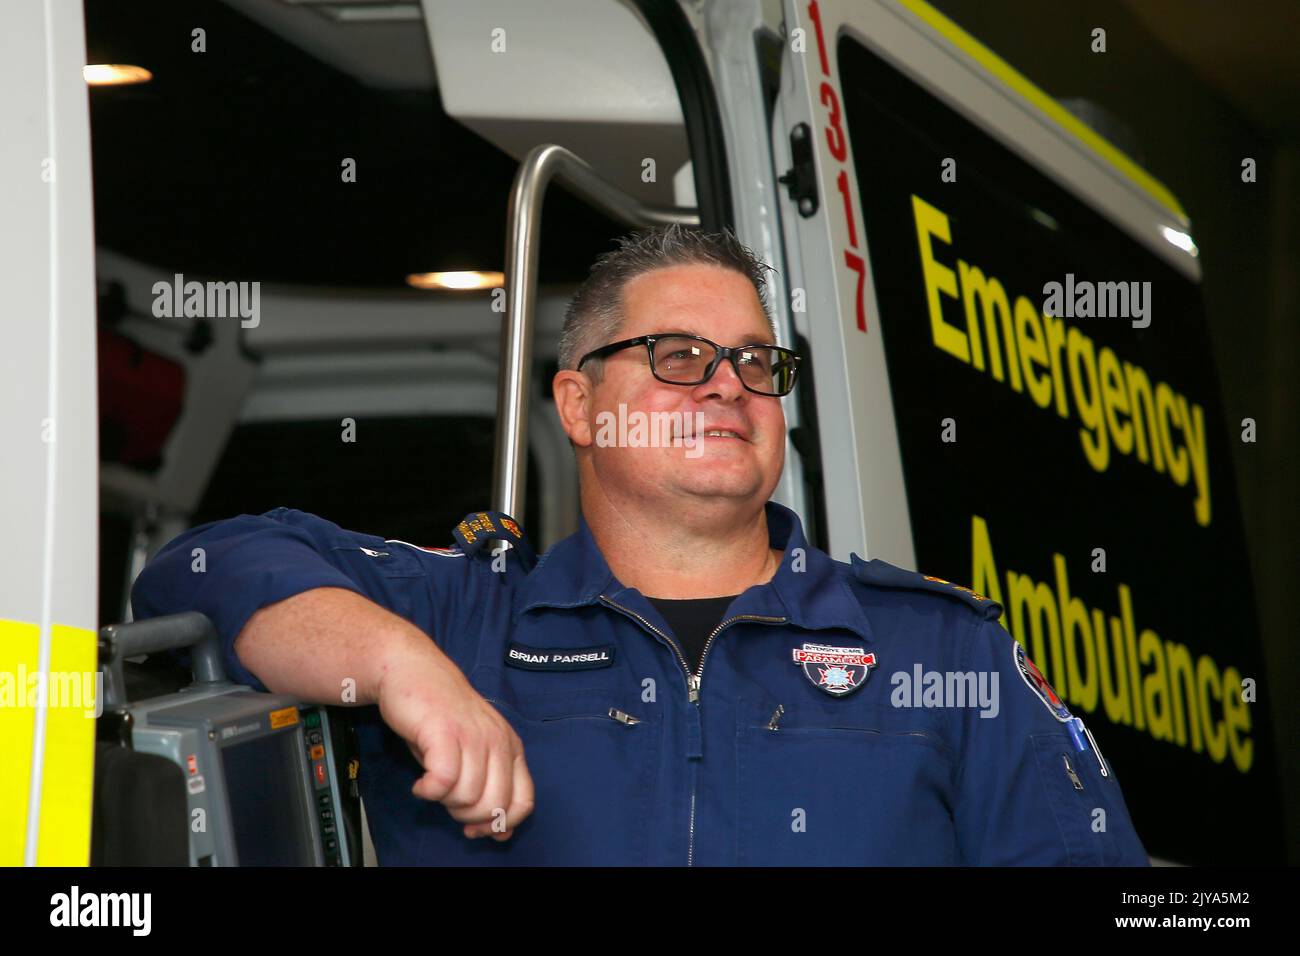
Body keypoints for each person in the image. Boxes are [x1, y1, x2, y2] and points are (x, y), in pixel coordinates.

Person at [132, 224, 1149, 865]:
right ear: (577, 403)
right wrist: (404, 668)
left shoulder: (941, 651)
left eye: (756, 361)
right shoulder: (459, 616)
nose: (726, 384)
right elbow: (204, 565)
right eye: (678, 356)